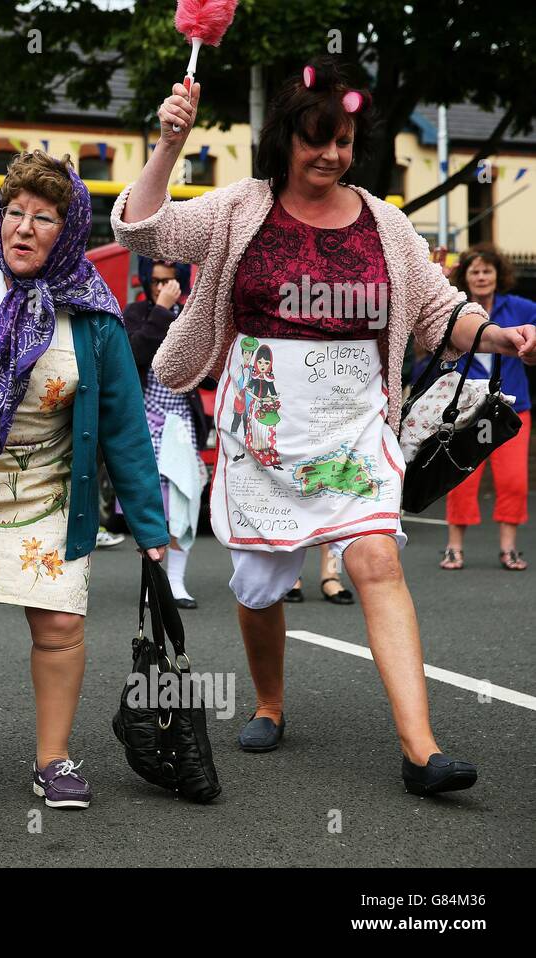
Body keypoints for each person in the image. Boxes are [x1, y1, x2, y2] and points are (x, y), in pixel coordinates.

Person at [112, 57, 536, 795]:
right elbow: (145, 230)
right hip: (264, 427)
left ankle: (421, 750)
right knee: (258, 585)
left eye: (343, 141)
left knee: (377, 558)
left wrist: (496, 336)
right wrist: (170, 144)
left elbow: (438, 311)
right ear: (287, 138)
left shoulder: (385, 223)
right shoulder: (241, 208)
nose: (331, 154)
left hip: (356, 424)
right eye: (316, 138)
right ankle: (270, 703)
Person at [0, 150, 168, 811]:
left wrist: (150, 528)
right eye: (13, 212)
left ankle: (53, 758)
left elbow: (123, 425)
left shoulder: (93, 310)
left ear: (70, 229)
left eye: (44, 217)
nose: (22, 228)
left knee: (59, 624)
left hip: (48, 491)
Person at [439, 244, 534, 571]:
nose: (481, 277)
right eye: (475, 271)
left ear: (497, 275)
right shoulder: (453, 308)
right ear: (465, 277)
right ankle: (454, 548)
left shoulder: (520, 307)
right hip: (466, 410)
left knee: (514, 481)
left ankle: (509, 550)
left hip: (512, 409)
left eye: (487, 271)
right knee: (461, 479)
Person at [123, 255, 208, 608]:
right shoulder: (135, 313)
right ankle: (153, 584)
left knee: (184, 501)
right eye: (156, 280)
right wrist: (160, 310)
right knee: (152, 506)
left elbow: (208, 373)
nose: (162, 287)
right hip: (146, 423)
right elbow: (133, 354)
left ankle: (176, 582)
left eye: (169, 281)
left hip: (181, 425)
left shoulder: (189, 317)